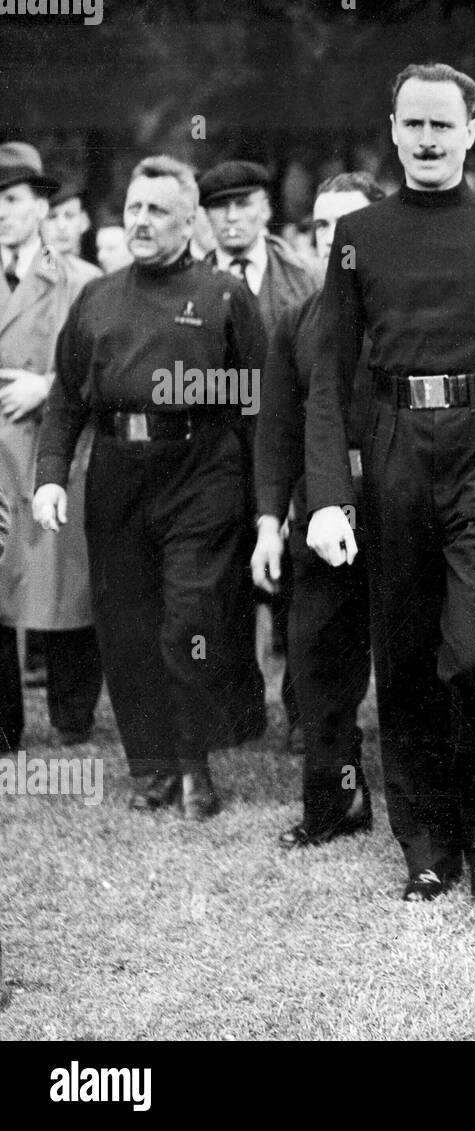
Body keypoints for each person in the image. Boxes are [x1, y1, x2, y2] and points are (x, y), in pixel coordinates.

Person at [304, 62, 475, 905]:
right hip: (393, 453)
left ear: (470, 129)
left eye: (442, 125)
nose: (427, 139)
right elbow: (328, 373)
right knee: (408, 653)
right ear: (393, 131)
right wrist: (325, 497)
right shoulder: (361, 235)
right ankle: (425, 839)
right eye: (412, 124)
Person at [33, 155, 267, 820]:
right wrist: (51, 476)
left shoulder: (224, 295)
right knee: (126, 628)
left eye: (156, 210)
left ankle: (194, 763)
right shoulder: (97, 297)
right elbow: (65, 401)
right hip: (116, 473)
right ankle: (152, 768)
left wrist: (268, 507)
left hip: (202, 471)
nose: (139, 221)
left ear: (190, 220)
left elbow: (257, 406)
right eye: (133, 208)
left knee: (189, 620)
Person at [251, 172, 386, 848]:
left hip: (401, 513)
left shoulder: (414, 318)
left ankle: (444, 803)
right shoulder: (297, 322)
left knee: (416, 660)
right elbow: (276, 432)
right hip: (320, 521)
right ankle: (334, 802)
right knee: (318, 665)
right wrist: (269, 525)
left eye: (351, 224)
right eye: (323, 227)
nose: (337, 241)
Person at [199, 159, 323, 752]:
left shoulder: (304, 280)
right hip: (213, 459)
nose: (231, 217)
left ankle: (305, 711)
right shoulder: (191, 282)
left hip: (292, 454)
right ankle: (237, 710)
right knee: (223, 587)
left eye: (243, 203)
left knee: (302, 587)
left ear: (266, 209)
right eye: (218, 206)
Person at [0, 142, 104, 751]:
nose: (2, 214)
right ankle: (4, 726)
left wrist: (49, 383)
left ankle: (72, 717)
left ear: (41, 207)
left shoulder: (82, 281)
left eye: (12, 201)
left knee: (64, 586)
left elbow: (103, 364)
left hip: (53, 453)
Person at [42, 183, 93, 264]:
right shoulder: (24, 273)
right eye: (52, 217)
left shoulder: (95, 274)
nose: (61, 226)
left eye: (69, 216)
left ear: (84, 221)